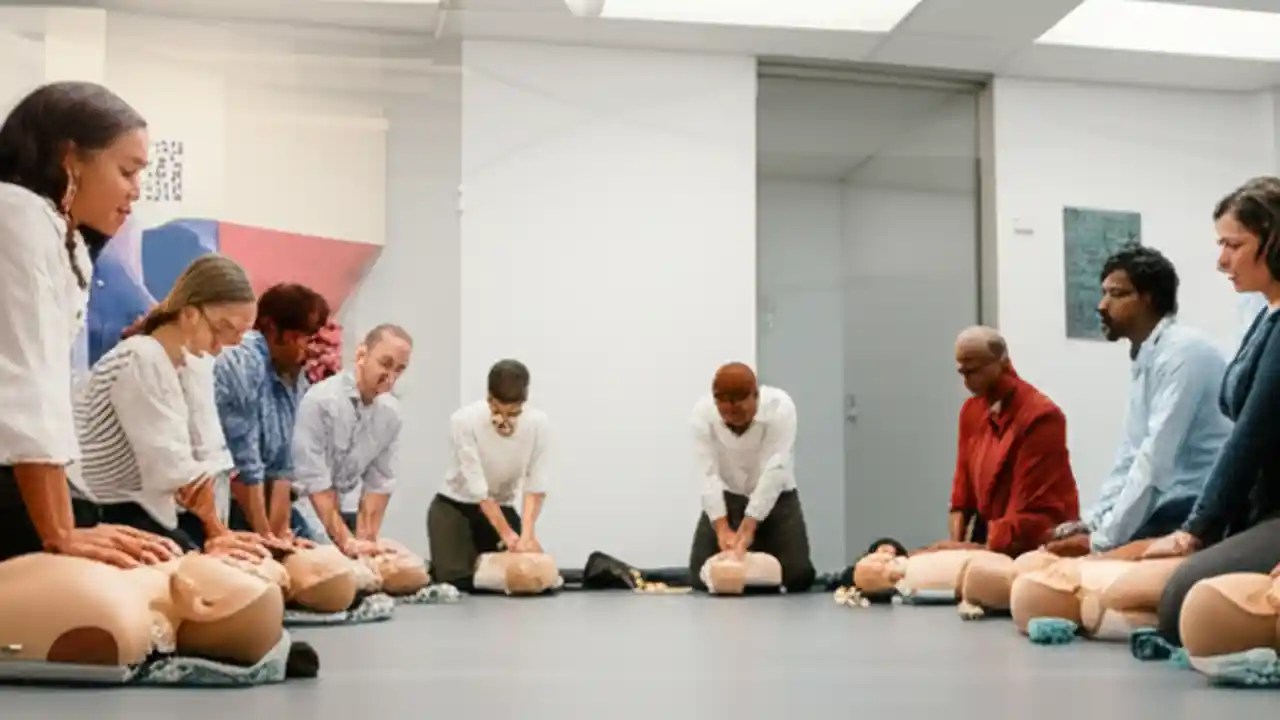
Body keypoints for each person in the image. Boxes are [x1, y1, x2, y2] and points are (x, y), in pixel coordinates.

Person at [0, 81, 180, 567]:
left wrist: (70, 520)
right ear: (71, 158)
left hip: (27, 476)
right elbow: (26, 381)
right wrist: (60, 530)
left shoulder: (65, 240)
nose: (135, 193)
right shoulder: (16, 214)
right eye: (127, 171)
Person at [1147, 176, 1280, 644]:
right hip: (1257, 510)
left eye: (1233, 244)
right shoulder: (1267, 316)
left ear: (1274, 239)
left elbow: (1250, 436)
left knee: (1183, 600)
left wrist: (1194, 531)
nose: (1222, 259)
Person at [74, 254, 268, 560]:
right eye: (222, 329)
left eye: (236, 336)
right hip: (102, 515)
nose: (223, 345)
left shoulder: (193, 362)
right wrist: (217, 534)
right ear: (190, 313)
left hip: (152, 512)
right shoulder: (141, 357)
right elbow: (172, 470)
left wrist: (222, 533)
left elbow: (209, 454)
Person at [1046, 246, 1231, 556]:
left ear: (1148, 299)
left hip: (1196, 507)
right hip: (1167, 503)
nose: (1102, 306)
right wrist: (1093, 521)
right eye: (1103, 293)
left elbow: (1153, 462)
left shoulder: (1182, 353)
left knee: (1068, 576)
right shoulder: (1147, 355)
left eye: (1117, 294)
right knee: (1047, 561)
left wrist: (1103, 542)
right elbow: (1130, 456)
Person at [937, 326, 1079, 557]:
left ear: (1001, 362)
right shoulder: (971, 412)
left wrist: (976, 549)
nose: (968, 381)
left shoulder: (1041, 417)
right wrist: (956, 549)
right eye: (962, 372)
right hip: (994, 538)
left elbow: (1030, 510)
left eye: (974, 371)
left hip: (1038, 544)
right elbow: (961, 494)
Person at [214, 282, 330, 544]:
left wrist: (280, 535)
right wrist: (264, 536)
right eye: (302, 337)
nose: (307, 348)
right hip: (221, 498)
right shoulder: (242, 361)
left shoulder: (295, 378)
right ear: (272, 329)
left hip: (260, 499)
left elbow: (282, 466)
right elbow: (245, 464)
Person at [687, 362, 815, 593]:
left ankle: (755, 575)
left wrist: (748, 528)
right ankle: (750, 578)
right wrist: (722, 528)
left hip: (778, 497)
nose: (734, 419)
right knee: (697, 576)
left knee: (798, 576)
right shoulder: (702, 414)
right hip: (729, 495)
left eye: (741, 411)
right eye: (726, 413)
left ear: (756, 395)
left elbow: (775, 469)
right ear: (716, 404)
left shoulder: (780, 407)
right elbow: (708, 474)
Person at [427, 359, 551, 590]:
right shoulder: (464, 420)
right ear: (488, 397)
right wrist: (507, 535)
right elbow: (478, 488)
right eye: (497, 409)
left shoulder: (538, 424)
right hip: (456, 506)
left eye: (513, 413)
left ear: (524, 402)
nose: (503, 420)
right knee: (456, 581)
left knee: (526, 575)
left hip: (501, 506)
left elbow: (535, 484)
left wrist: (526, 535)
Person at [292, 324, 413, 557]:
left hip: (343, 511)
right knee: (342, 576)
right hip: (302, 511)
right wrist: (346, 542)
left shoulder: (391, 413)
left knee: (408, 569)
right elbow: (313, 483)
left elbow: (380, 483)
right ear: (361, 355)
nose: (390, 376)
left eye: (399, 369)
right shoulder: (321, 401)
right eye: (385, 364)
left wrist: (367, 543)